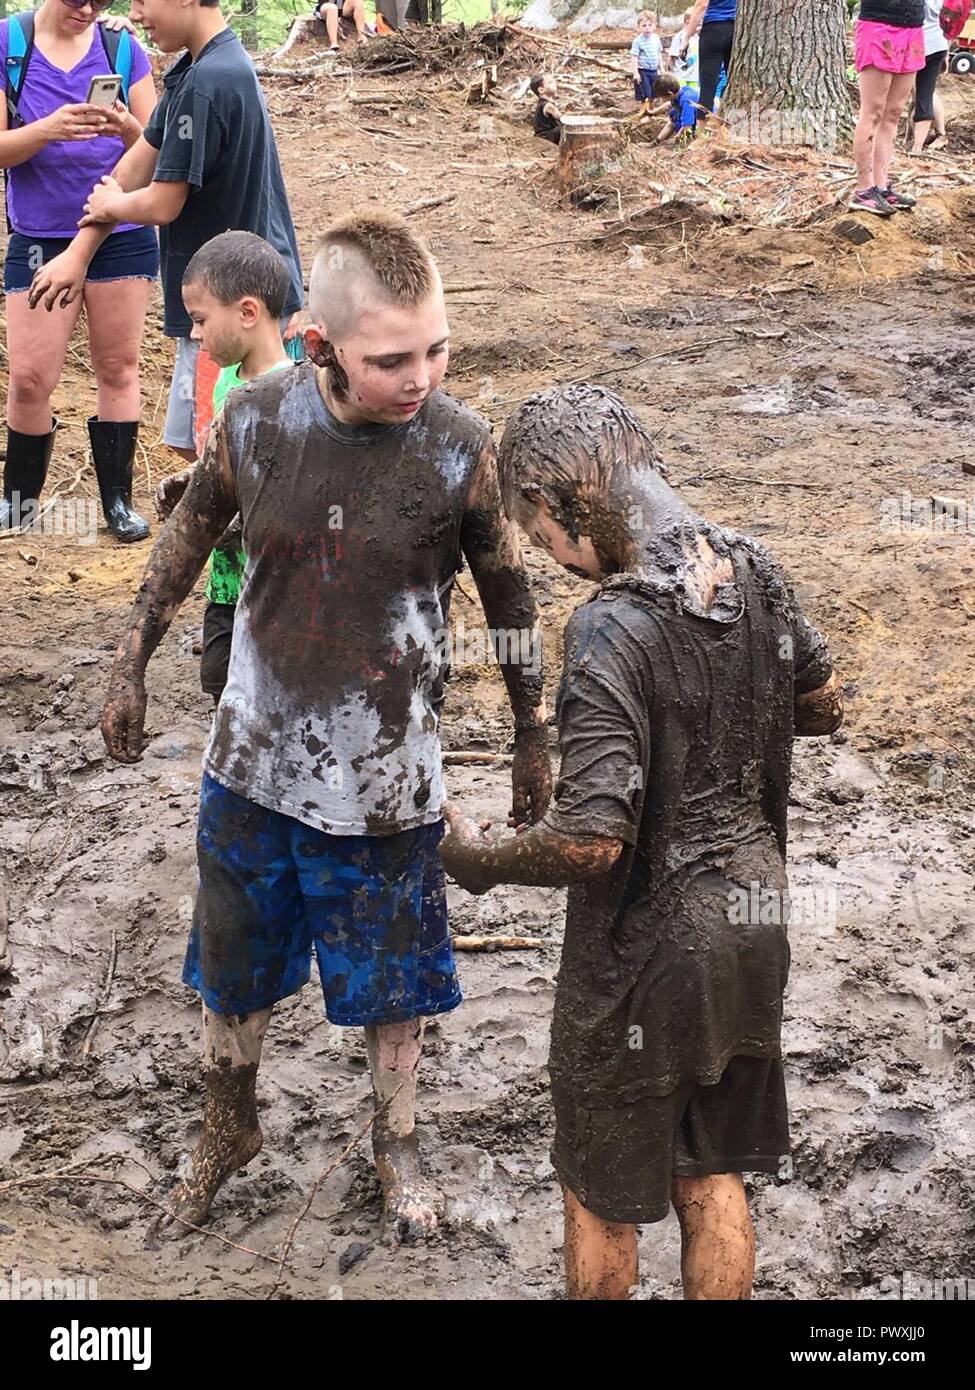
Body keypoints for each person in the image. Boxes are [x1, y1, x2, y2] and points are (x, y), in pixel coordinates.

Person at [98, 211, 552, 1242]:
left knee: (396, 982)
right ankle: (229, 1127)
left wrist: (534, 730)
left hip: (390, 779)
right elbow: (185, 536)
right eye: (392, 358)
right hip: (252, 759)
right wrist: (129, 660)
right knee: (232, 964)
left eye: (437, 347)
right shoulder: (255, 420)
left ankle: (396, 1145)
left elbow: (509, 597)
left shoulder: (458, 446)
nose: (422, 374)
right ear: (319, 349)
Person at [441, 384, 843, 1300]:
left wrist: (471, 861)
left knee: (599, 1193)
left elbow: (588, 842)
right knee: (711, 1171)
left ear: (559, 507)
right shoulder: (755, 567)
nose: (553, 559)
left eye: (541, 539)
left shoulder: (611, 626)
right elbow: (821, 702)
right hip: (753, 923)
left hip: (642, 959)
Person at [27, 0, 304, 469]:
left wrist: (112, 205)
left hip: (239, 309)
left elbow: (161, 201)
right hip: (216, 304)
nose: (134, 14)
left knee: (231, 452)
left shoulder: (209, 82)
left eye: (142, 0)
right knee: (193, 442)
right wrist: (80, 251)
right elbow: (137, 165)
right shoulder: (192, 70)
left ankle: (234, 541)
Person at [0, 1, 157, 541]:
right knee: (28, 377)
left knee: (117, 367)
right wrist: (46, 129)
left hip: (121, 232)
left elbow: (153, 148)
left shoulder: (122, 46)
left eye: (102, 0)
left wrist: (126, 127)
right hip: (40, 234)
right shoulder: (8, 44)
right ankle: (18, 501)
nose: (89, 10)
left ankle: (117, 501)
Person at [156, 231, 301, 705]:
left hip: (277, 589)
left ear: (247, 312)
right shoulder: (223, 381)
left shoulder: (296, 395)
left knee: (274, 693)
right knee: (222, 687)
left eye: (199, 320)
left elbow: (291, 495)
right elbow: (218, 465)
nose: (194, 334)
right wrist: (189, 483)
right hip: (225, 583)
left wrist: (228, 523)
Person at [849, 1, 925, 215]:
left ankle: (881, 186)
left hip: (913, 25)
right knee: (872, 112)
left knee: (893, 113)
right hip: (879, 23)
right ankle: (864, 189)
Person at [684, 0, 737, 116]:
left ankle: (702, 132)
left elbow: (702, 5)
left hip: (713, 30)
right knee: (735, 82)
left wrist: (686, 38)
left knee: (707, 88)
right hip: (736, 29)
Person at [912, 0, 948, 154]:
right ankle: (939, 134)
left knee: (920, 94)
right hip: (938, 44)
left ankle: (917, 146)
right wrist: (946, 48)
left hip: (919, 44)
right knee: (927, 92)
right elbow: (949, 21)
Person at [630, 11, 663, 106]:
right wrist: (636, 73)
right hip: (643, 71)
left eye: (650, 25)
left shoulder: (656, 38)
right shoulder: (637, 41)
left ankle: (651, 109)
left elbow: (658, 54)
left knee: (654, 92)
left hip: (654, 70)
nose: (647, 28)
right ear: (639, 27)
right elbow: (634, 57)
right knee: (645, 93)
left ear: (654, 26)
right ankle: (644, 110)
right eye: (644, 25)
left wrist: (662, 68)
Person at [654, 73, 698, 142]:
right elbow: (671, 121)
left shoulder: (686, 100)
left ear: (670, 94)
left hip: (704, 126)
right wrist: (656, 142)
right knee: (674, 114)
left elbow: (687, 126)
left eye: (662, 97)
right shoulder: (681, 91)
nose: (661, 100)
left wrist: (674, 140)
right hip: (693, 119)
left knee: (679, 121)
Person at [667, 7, 700, 96]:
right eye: (698, 23)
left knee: (693, 95)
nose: (701, 26)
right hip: (680, 76)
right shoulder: (679, 37)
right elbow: (672, 56)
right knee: (680, 95)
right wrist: (670, 73)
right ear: (688, 22)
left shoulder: (697, 38)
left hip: (694, 76)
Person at [530, 73, 561, 146]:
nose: (554, 83)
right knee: (563, 130)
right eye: (550, 82)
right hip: (545, 136)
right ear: (541, 90)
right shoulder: (548, 106)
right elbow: (561, 118)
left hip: (545, 135)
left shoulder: (544, 103)